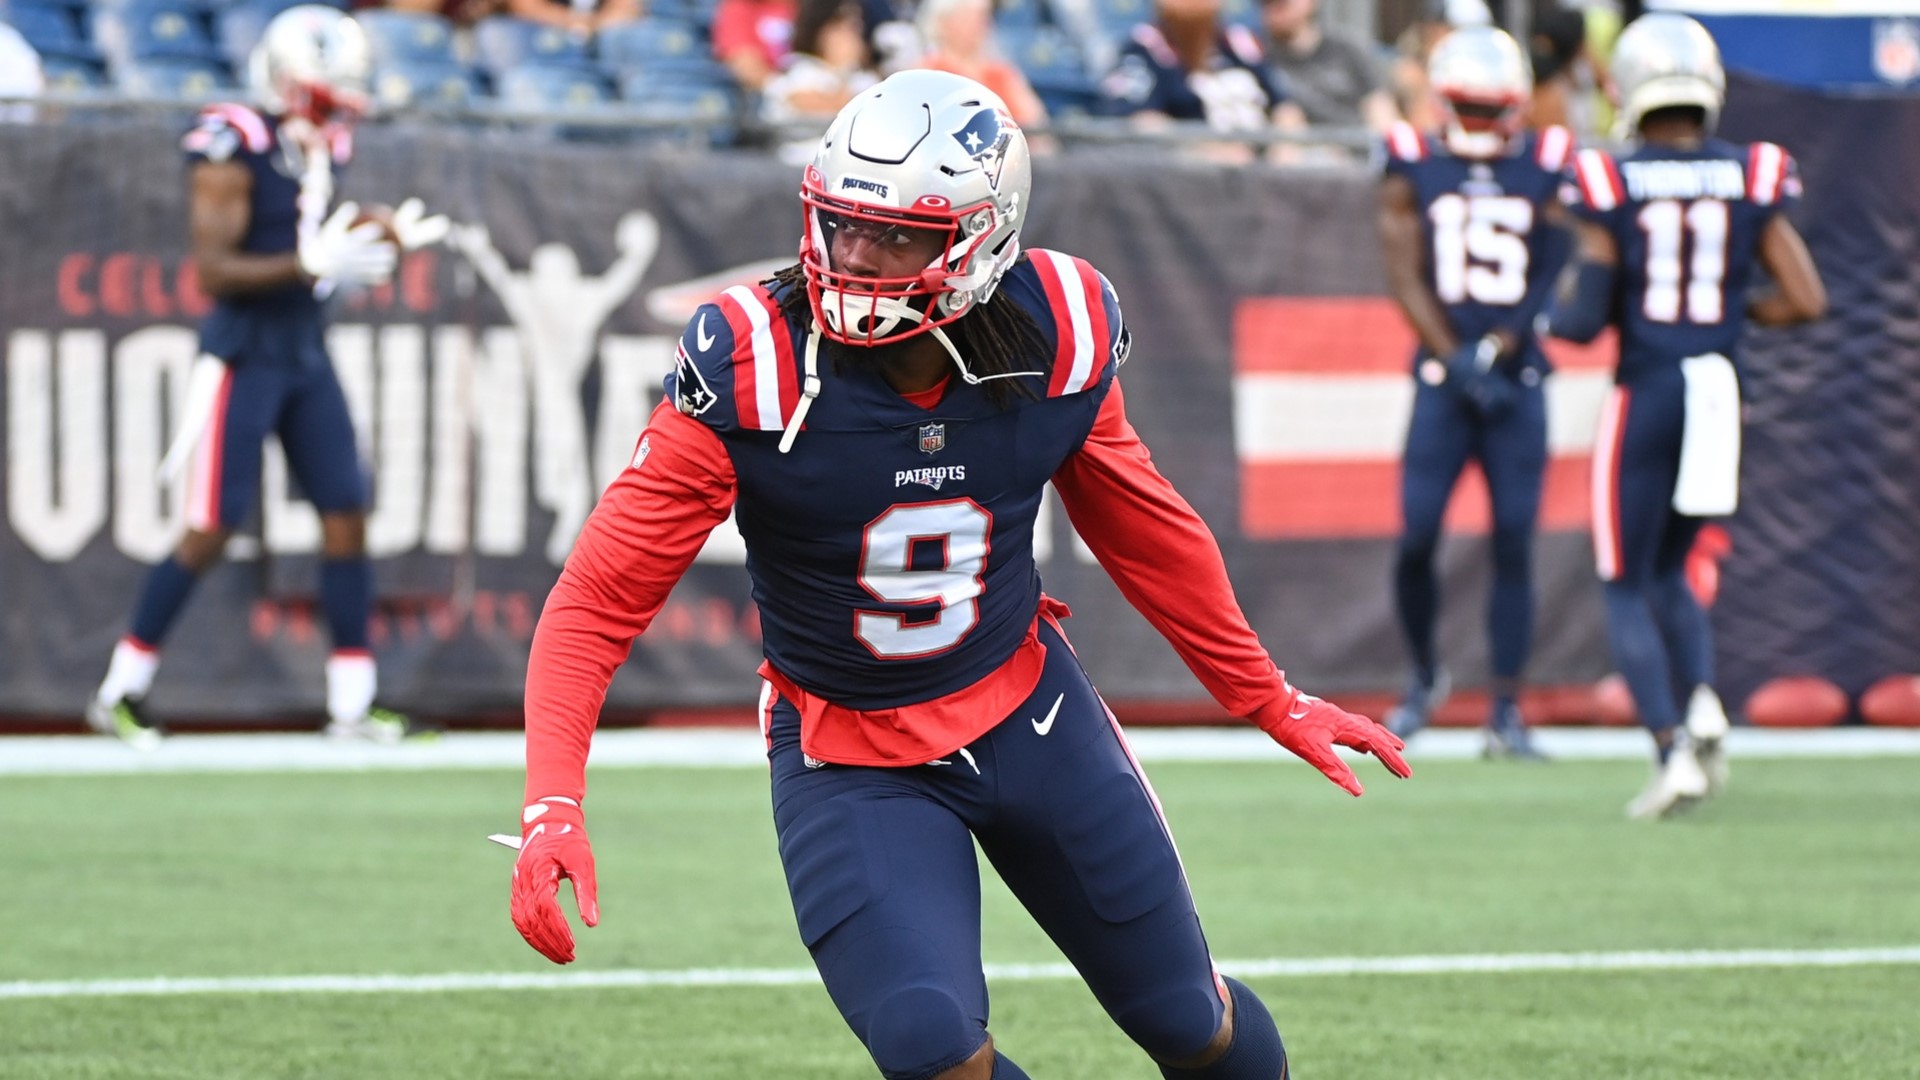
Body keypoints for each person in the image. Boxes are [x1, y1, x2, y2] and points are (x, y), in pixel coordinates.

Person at [507, 69, 1409, 1080]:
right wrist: (554, 804)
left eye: (896, 235)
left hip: (1028, 713)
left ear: (985, 236)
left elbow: (1144, 526)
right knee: (931, 1048)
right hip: (847, 750)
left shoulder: (1056, 322)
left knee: (1186, 1017)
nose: (855, 256)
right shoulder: (756, 360)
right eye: (842, 224)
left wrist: (1266, 696)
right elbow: (595, 603)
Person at [84, 7, 449, 747]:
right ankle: (120, 689)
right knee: (212, 525)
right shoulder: (234, 139)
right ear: (283, 80)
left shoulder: (317, 144)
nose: (335, 113)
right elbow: (215, 270)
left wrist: (360, 254)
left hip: (303, 350)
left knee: (346, 511)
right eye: (323, 96)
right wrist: (311, 263)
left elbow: (313, 261)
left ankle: (352, 703)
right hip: (242, 352)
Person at [1547, 13, 1825, 818]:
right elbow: (1806, 298)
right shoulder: (1753, 172)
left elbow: (1581, 318)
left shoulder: (1613, 179)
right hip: (1719, 388)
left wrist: (1560, 309)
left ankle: (1671, 749)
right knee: (1674, 564)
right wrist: (1727, 318)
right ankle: (1701, 701)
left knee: (1625, 578)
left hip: (1650, 387)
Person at [1376, 25, 1573, 759]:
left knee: (1515, 540)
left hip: (1516, 383)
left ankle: (1508, 709)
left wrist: (1502, 348)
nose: (1481, 120)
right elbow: (1401, 269)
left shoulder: (1548, 163)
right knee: (1416, 537)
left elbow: (1556, 266)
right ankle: (1425, 675)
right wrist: (1458, 358)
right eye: (1470, 104)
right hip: (1443, 377)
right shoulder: (1410, 159)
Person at [1099, 0, 1308, 164]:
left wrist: (1283, 150)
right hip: (1192, 182)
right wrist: (1208, 149)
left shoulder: (1239, 43)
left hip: (1261, 169)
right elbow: (1143, 122)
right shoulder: (1145, 48)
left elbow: (1285, 108)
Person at [1257, 0, 1398, 139]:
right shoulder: (1257, 56)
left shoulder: (1347, 48)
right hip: (1301, 151)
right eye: (1268, 3)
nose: (1275, 9)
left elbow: (1380, 108)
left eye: (1284, 4)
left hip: (1355, 149)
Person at [761, 0, 880, 161]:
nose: (850, 38)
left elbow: (877, 109)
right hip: (796, 161)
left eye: (854, 28)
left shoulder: (862, 77)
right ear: (817, 31)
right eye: (839, 29)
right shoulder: (798, 67)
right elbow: (807, 101)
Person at [915, 0, 1047, 130]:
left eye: (984, 16)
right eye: (968, 17)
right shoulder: (928, 72)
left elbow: (1034, 123)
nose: (981, 24)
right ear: (942, 22)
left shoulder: (1001, 72)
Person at [712, 0, 800, 94]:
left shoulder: (809, 6)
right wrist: (782, 90)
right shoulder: (740, 6)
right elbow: (744, 63)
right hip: (765, 95)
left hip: (809, 84)